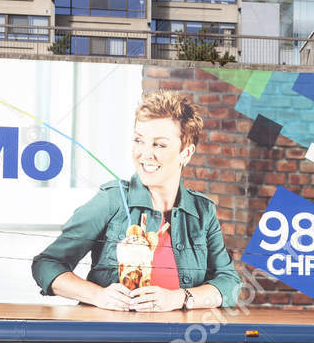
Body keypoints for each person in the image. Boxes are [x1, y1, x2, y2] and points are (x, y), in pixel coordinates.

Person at [32, 92, 240, 312]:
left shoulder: (203, 211)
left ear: (185, 153)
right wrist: (98, 295)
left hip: (179, 340)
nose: (145, 154)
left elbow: (230, 284)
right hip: (115, 339)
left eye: (159, 145)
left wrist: (179, 298)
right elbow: (46, 264)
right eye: (139, 140)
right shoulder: (112, 200)